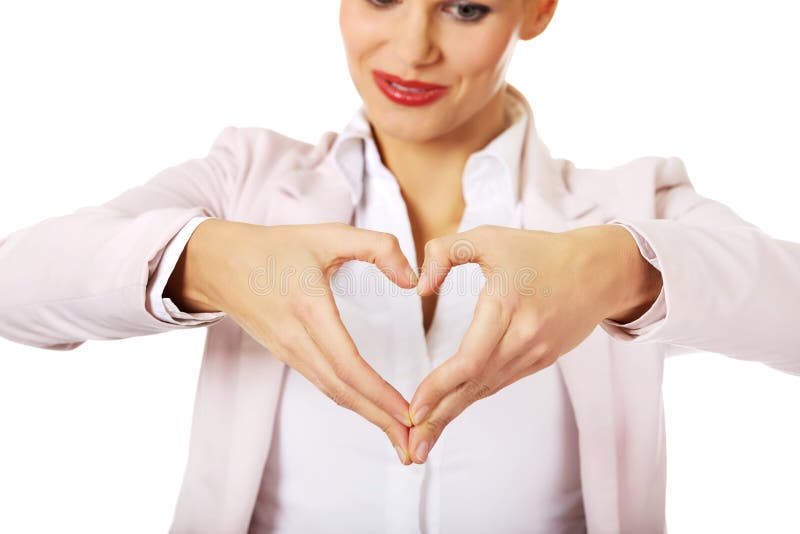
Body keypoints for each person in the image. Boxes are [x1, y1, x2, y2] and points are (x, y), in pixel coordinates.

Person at [0, 0, 797, 532]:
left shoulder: (628, 203)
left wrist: (622, 271)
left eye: (466, 6)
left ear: (538, 7)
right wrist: (207, 259)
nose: (412, 47)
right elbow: (15, 287)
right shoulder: (244, 181)